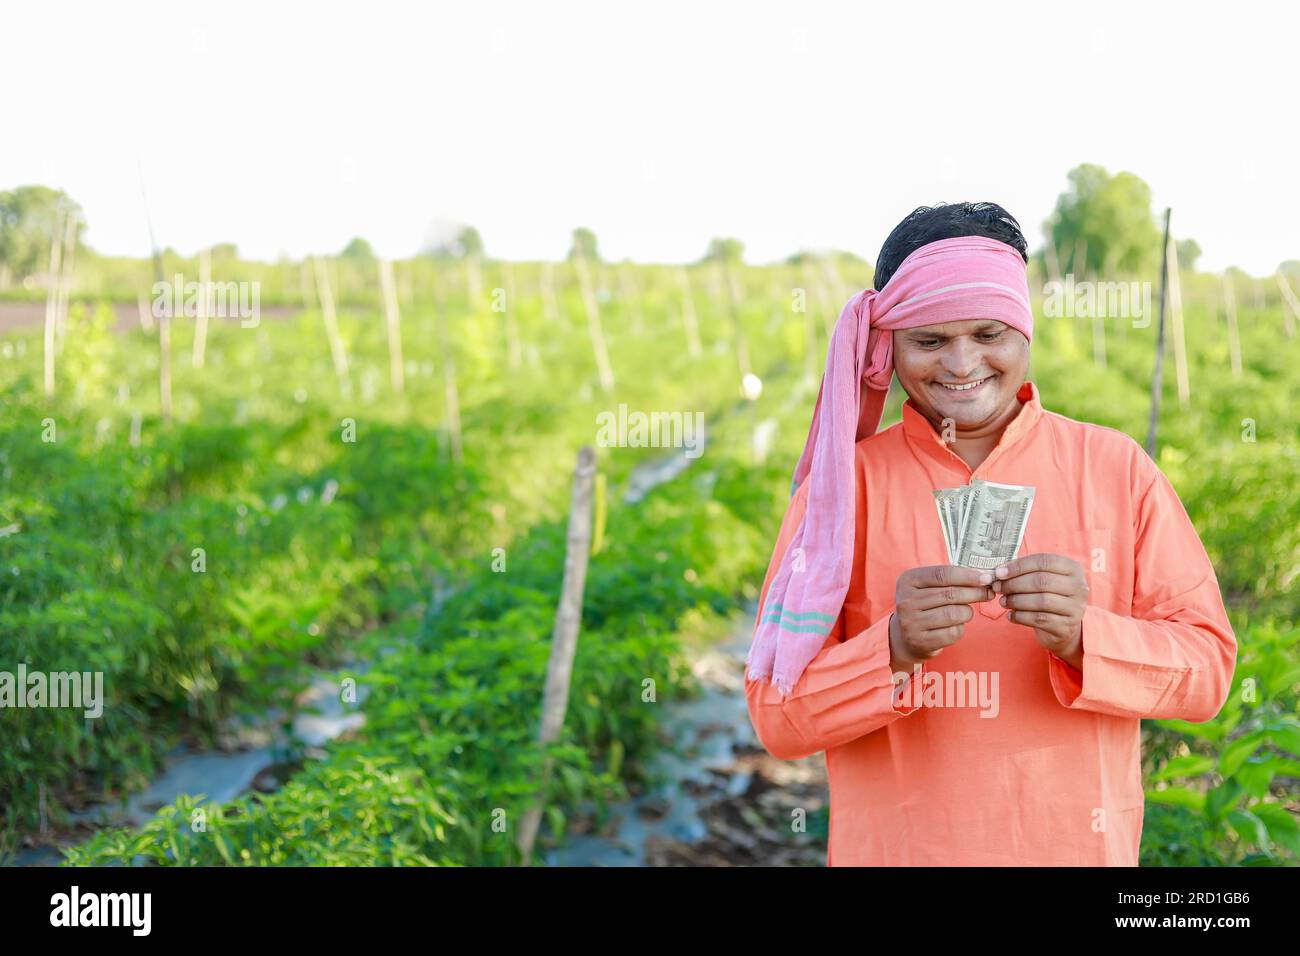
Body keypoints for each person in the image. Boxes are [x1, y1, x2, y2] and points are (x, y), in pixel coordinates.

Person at [744, 202, 1238, 866]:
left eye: (987, 332)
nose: (961, 362)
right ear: (889, 345)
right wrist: (890, 649)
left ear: (1025, 332)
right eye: (928, 341)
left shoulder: (1115, 469)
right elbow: (777, 716)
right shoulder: (841, 492)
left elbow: (1206, 673)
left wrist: (1085, 636)